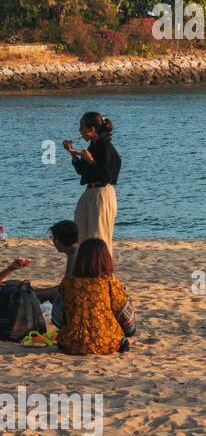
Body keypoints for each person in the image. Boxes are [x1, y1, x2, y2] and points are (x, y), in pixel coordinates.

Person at [56, 238, 136, 355]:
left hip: (71, 343)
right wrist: (129, 332)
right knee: (124, 306)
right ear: (105, 258)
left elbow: (57, 318)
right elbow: (126, 317)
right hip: (106, 342)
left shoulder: (68, 282)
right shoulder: (109, 281)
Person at [65, 111, 120, 258]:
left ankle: (101, 274)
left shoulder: (106, 148)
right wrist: (72, 154)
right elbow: (83, 172)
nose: (80, 131)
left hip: (102, 192)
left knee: (99, 236)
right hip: (90, 192)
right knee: (82, 232)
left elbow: (107, 176)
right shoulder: (93, 146)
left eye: (82, 127)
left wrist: (91, 161)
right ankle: (85, 271)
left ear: (92, 130)